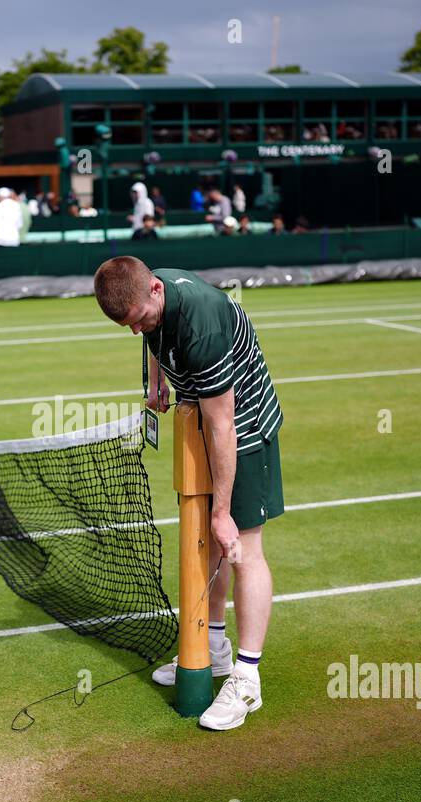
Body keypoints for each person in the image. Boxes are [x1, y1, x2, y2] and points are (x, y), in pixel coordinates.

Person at [93, 257, 284, 731]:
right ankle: (212, 647)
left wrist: (223, 511)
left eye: (138, 319)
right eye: (127, 326)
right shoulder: (150, 299)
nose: (137, 331)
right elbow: (155, 338)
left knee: (242, 550)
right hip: (199, 420)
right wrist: (158, 381)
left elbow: (224, 424)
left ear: (155, 290)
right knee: (208, 549)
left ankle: (247, 678)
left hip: (245, 431)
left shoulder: (201, 323)